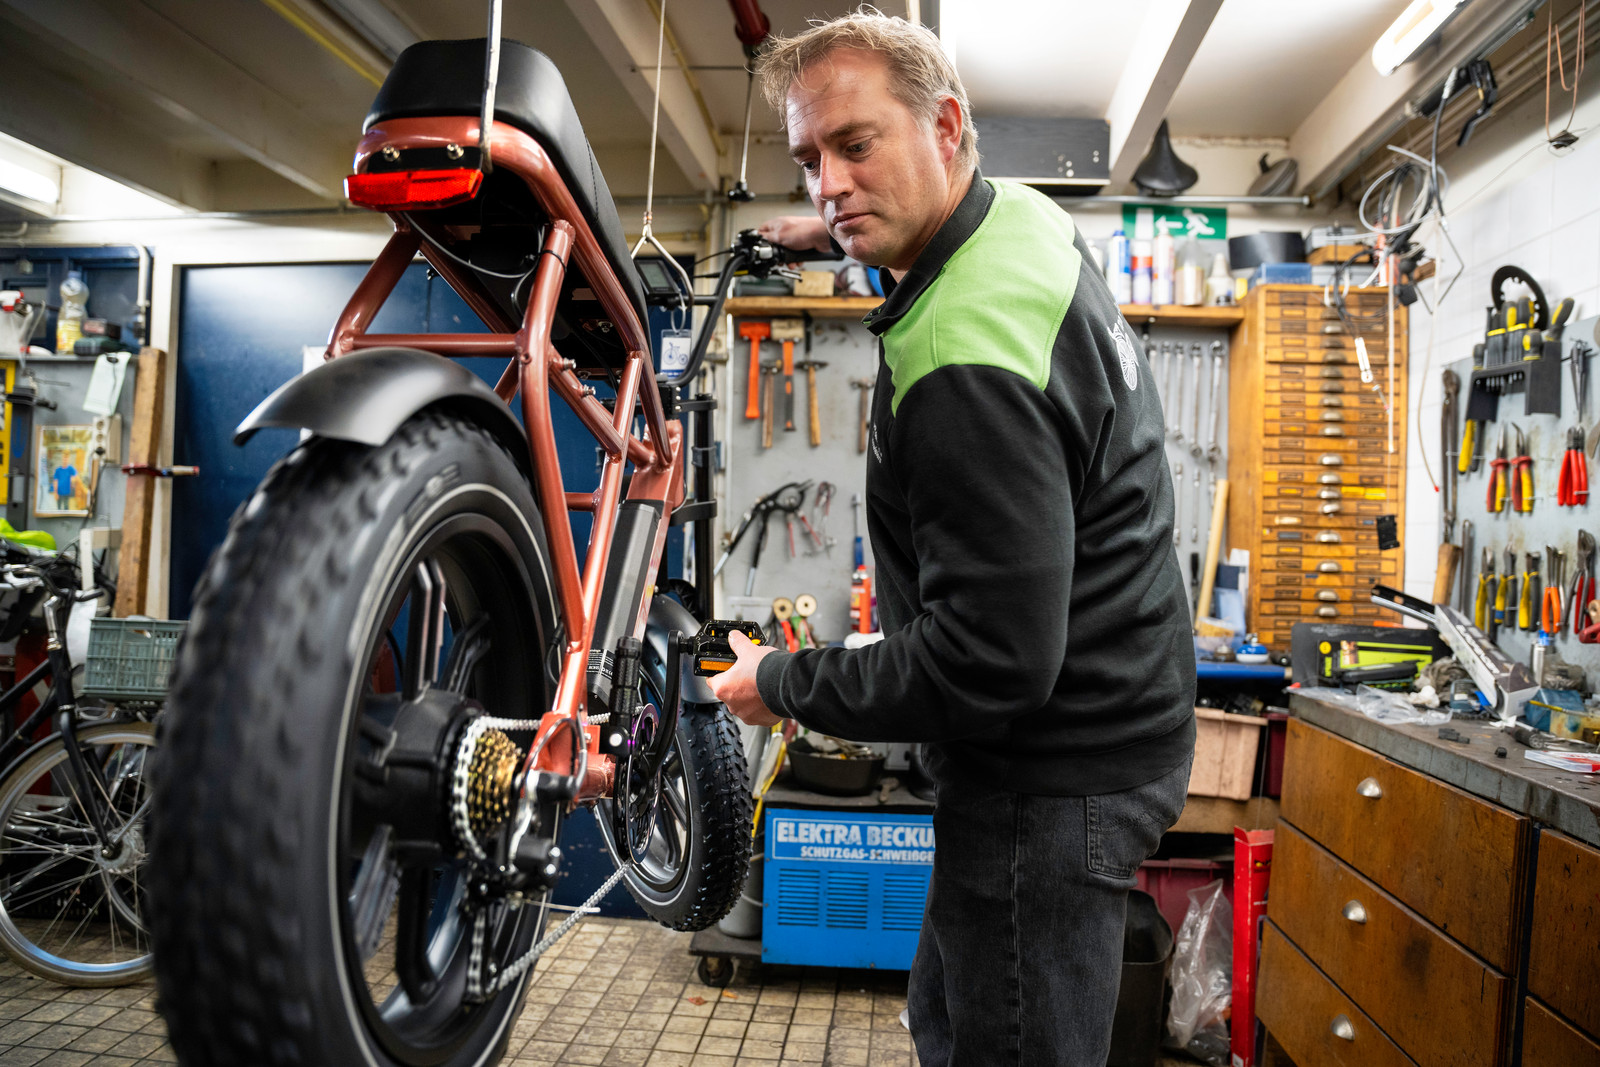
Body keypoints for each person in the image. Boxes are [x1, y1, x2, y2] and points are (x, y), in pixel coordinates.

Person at [705, 12, 1197, 1067]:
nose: (827, 185)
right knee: (953, 1010)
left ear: (946, 126)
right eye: (806, 161)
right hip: (1109, 732)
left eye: (854, 145)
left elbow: (991, 663)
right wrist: (831, 233)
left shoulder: (964, 367)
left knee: (999, 1038)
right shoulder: (1016, 217)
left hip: (1046, 781)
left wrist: (783, 681)